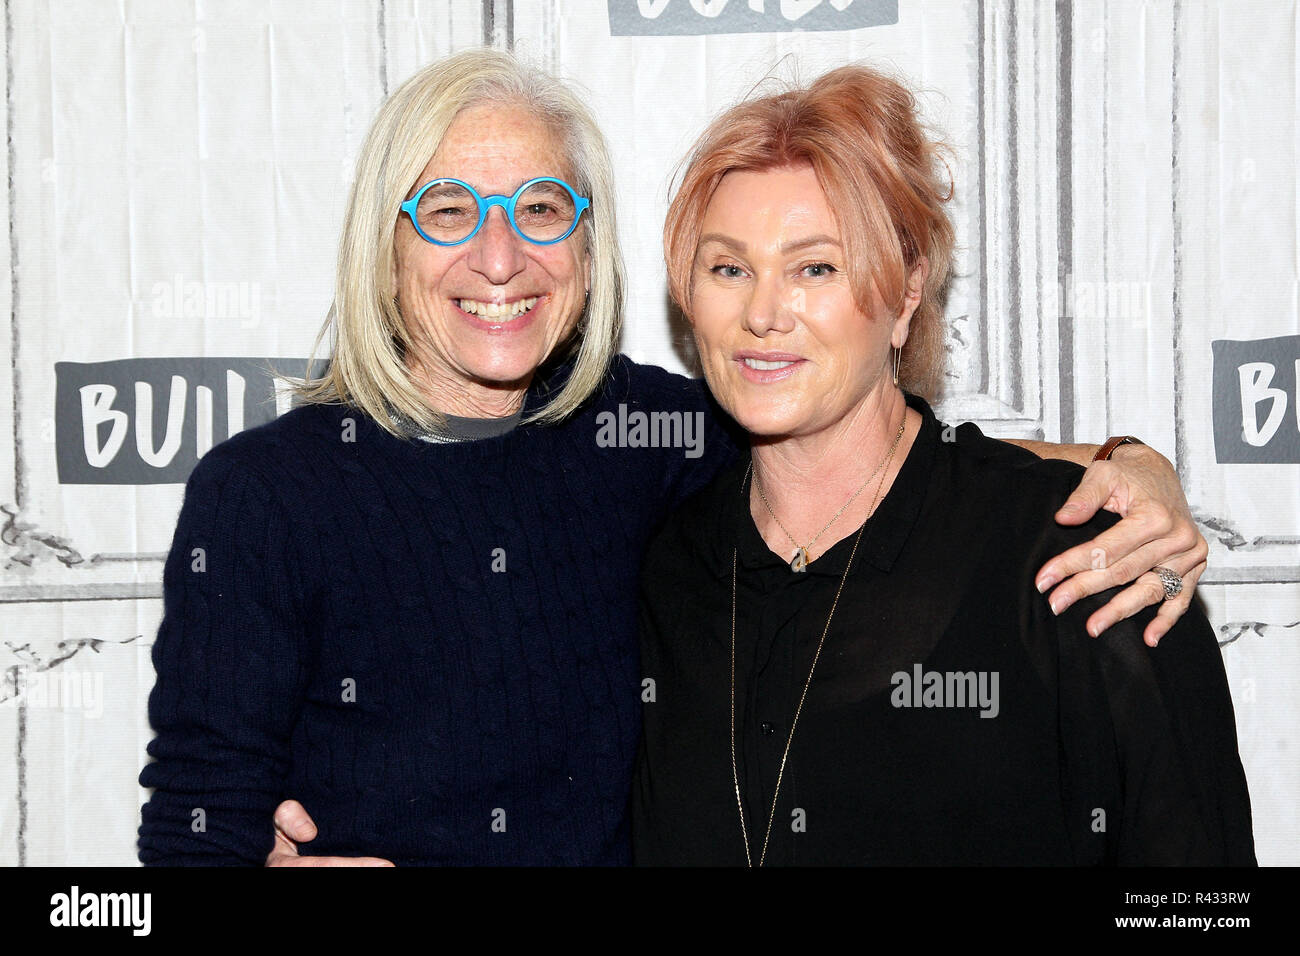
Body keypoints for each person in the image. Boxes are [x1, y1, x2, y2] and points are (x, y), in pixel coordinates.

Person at [136, 50, 1209, 867]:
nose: (498, 255)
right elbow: (190, 830)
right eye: (449, 209)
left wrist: (1124, 462)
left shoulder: (634, 438)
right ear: (387, 239)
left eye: (541, 209)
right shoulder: (266, 496)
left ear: (587, 247)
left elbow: (861, 435)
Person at [630, 63, 1254, 866]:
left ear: (906, 290)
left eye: (816, 267)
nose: (761, 312)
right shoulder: (669, 564)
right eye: (729, 267)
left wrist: (1133, 462)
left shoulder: (1086, 558)